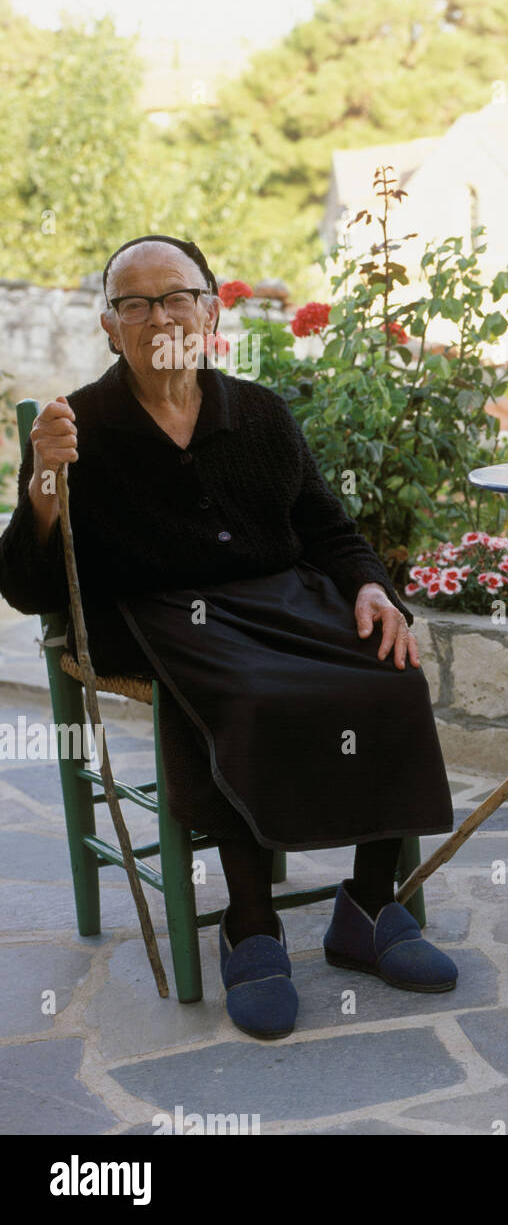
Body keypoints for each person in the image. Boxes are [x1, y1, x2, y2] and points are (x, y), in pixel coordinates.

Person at [0, 235, 458, 1041]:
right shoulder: (78, 427)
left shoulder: (260, 413)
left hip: (282, 598)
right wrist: (43, 484)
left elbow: (327, 526)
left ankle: (369, 903)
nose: (158, 316)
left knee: (389, 672)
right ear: (111, 326)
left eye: (176, 297)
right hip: (154, 614)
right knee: (248, 698)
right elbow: (31, 589)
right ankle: (251, 925)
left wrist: (373, 589)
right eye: (134, 303)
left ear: (210, 311)